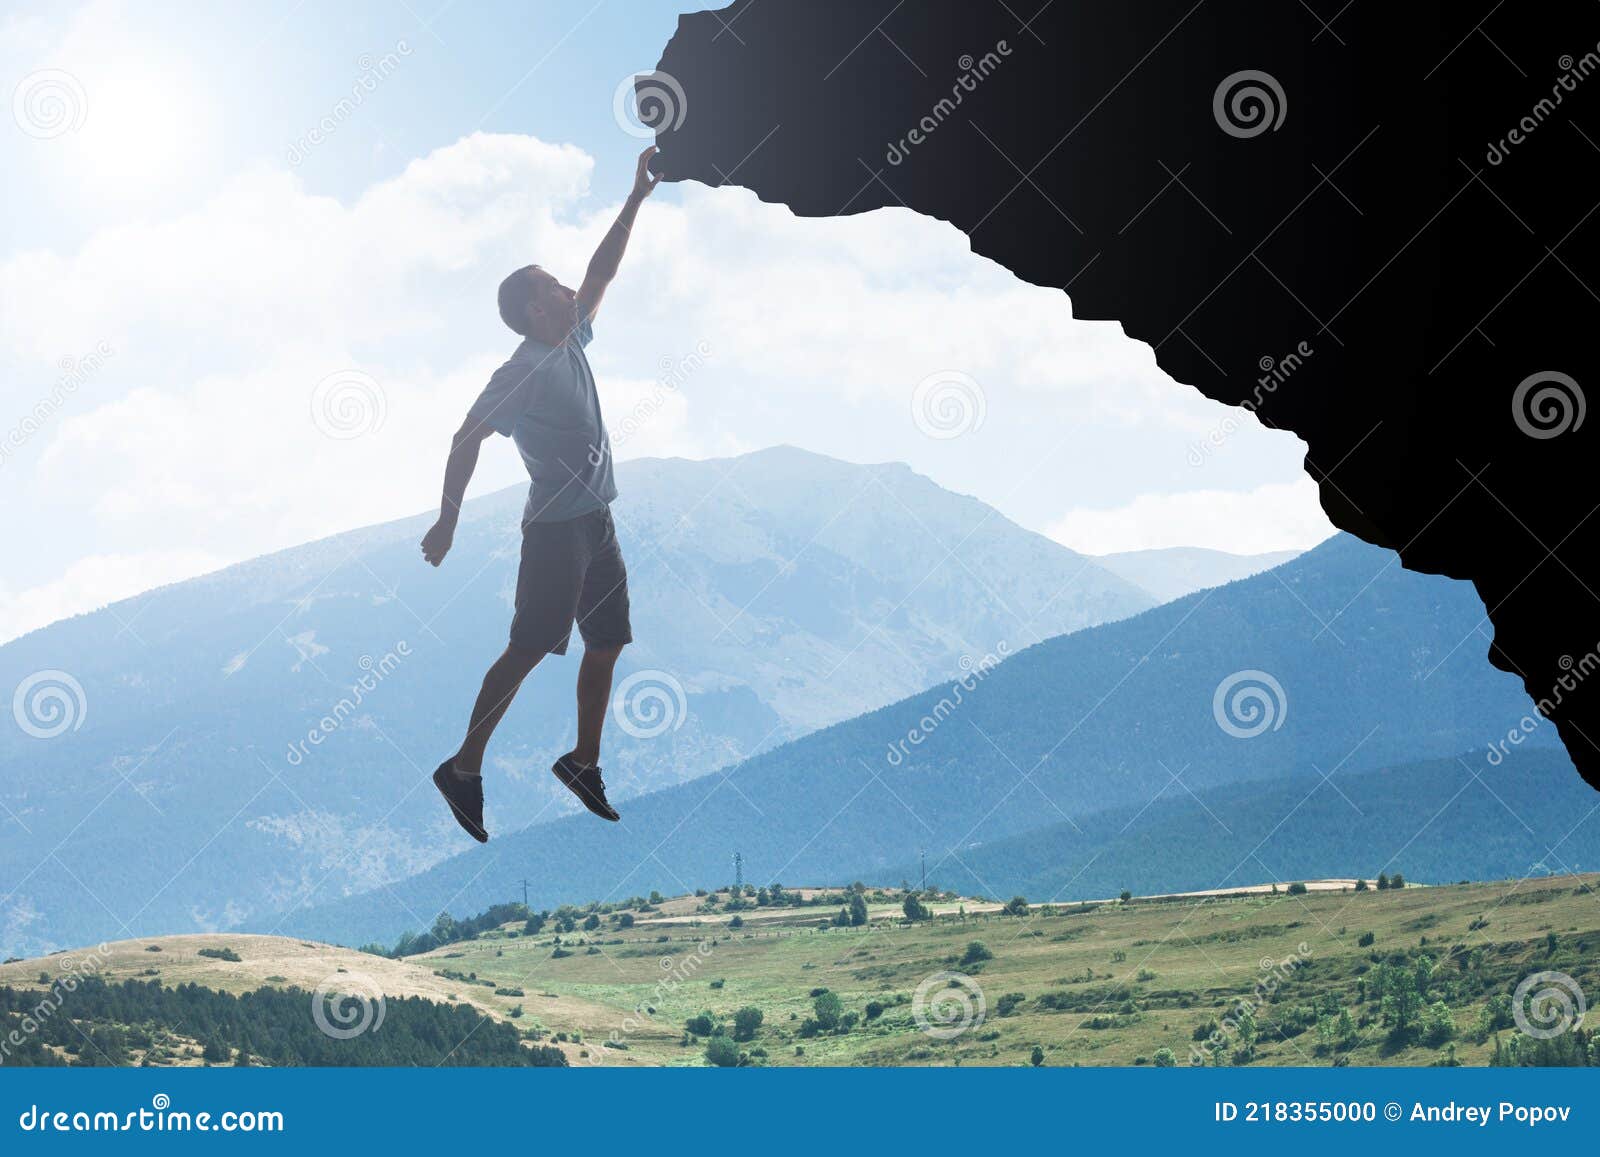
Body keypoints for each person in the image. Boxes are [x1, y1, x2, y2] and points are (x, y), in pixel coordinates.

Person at [420, 145, 660, 842]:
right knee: (527, 649)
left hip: (598, 524)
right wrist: (447, 522)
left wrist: (637, 196)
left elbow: (603, 268)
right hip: (556, 531)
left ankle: (583, 762)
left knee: (608, 642)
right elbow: (465, 438)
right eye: (555, 284)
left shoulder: (573, 338)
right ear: (534, 306)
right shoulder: (522, 370)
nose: (569, 289)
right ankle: (463, 768)